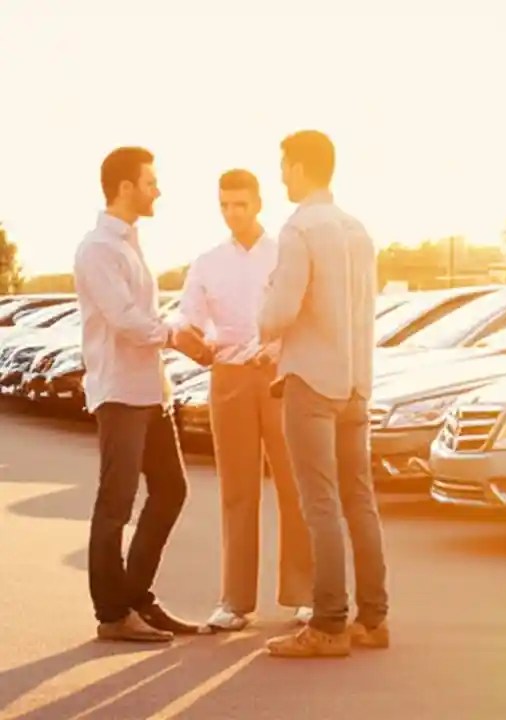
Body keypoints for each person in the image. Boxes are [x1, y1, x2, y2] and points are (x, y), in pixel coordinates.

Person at [73, 146, 211, 642]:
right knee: (116, 502)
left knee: (171, 489)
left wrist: (182, 330)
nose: (158, 190)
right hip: (119, 393)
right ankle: (112, 614)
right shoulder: (98, 249)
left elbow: (147, 316)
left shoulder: (130, 244)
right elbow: (127, 321)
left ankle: (135, 597)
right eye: (151, 181)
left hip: (152, 392)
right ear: (125, 186)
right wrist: (176, 336)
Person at [259, 130, 389, 658]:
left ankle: (329, 624)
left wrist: (263, 312)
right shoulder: (357, 230)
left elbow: (278, 313)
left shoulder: (299, 230)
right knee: (360, 500)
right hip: (356, 382)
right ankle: (373, 619)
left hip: (311, 381)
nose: (281, 175)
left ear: (299, 166)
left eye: (284, 165)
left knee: (320, 503)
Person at [179, 169, 315, 633]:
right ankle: (235, 602)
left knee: (294, 485)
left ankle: (304, 594)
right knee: (238, 490)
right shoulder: (207, 262)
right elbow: (190, 320)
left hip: (279, 376)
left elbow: (302, 314)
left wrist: (276, 350)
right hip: (229, 378)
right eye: (225, 205)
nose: (233, 213)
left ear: (258, 203)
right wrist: (191, 340)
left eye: (241, 204)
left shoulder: (284, 255)